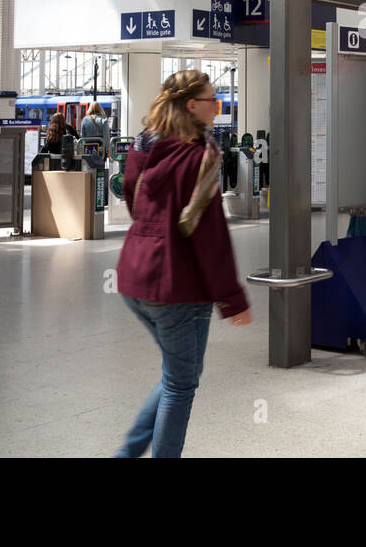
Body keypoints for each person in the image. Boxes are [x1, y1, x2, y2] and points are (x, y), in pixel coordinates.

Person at [115, 70, 252, 457]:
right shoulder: (202, 157)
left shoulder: (143, 145)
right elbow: (211, 238)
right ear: (193, 106)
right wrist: (233, 299)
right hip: (178, 288)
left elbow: (132, 199)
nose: (218, 106)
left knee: (177, 374)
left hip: (134, 277)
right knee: (181, 383)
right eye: (213, 99)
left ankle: (128, 453)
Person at [80, 102, 110, 170]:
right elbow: (106, 136)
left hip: (88, 148)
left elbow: (82, 136)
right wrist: (108, 149)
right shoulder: (104, 119)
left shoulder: (85, 119)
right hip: (100, 148)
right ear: (100, 109)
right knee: (100, 167)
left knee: (89, 167)